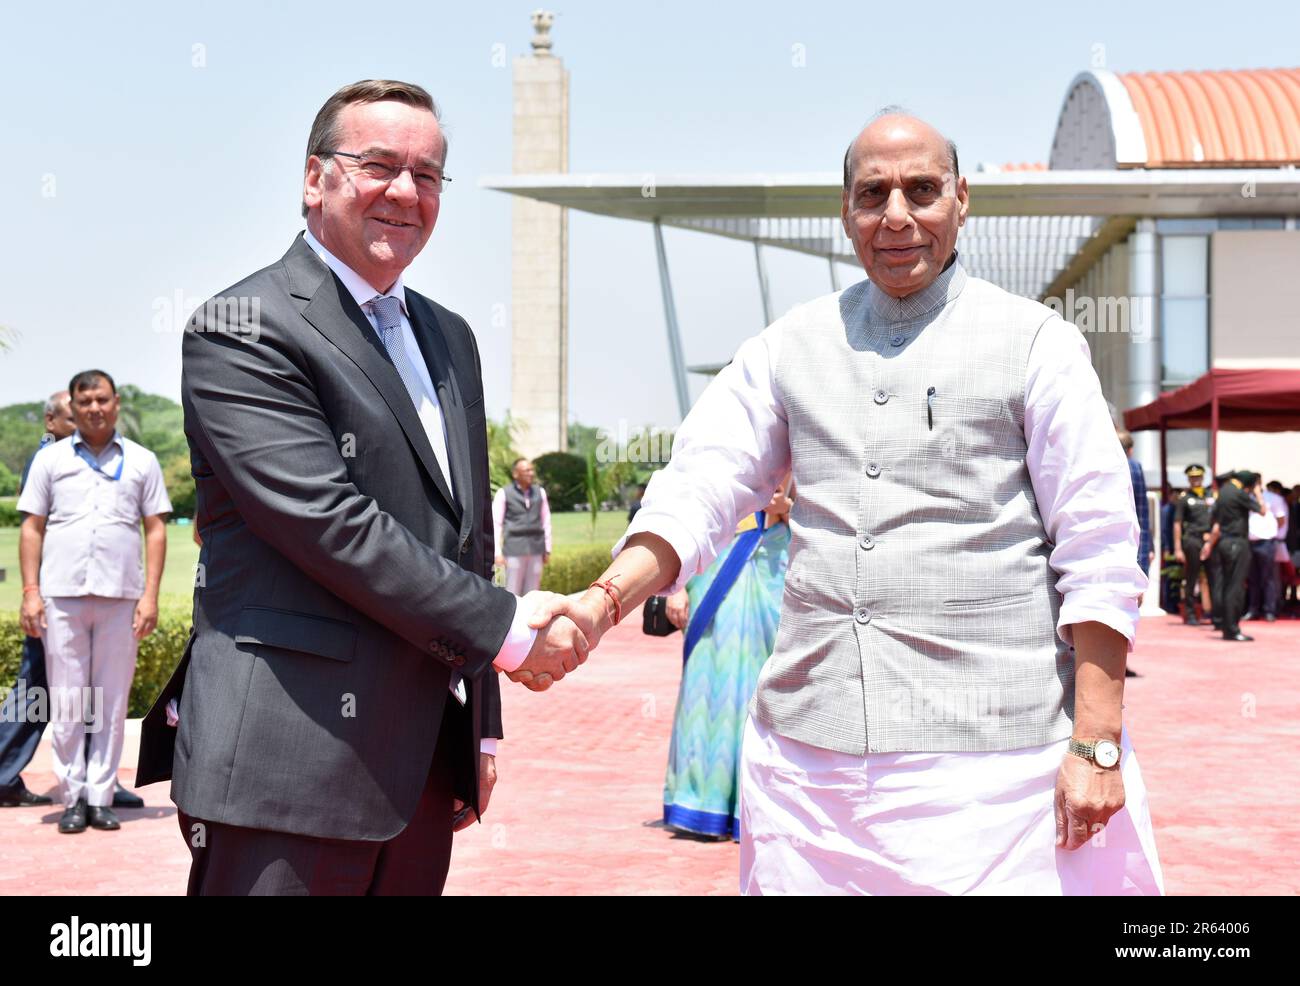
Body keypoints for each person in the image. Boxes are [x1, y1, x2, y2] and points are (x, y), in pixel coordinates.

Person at [535, 110, 1163, 894]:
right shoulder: (789, 347)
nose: (897, 216)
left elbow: (1099, 546)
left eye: (922, 190)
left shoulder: (1035, 343)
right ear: (846, 211)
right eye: (873, 194)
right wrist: (601, 602)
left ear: (962, 199)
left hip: (996, 773)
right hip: (810, 779)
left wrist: (1097, 742)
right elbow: (701, 485)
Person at [135, 80, 586, 895]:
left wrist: (479, 727)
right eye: (378, 165)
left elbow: (465, 540)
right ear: (316, 179)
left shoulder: (450, 337)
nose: (406, 192)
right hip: (286, 766)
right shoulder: (242, 325)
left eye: (429, 175)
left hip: (417, 768)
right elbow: (329, 524)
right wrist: (510, 633)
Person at [17, 371, 171, 834]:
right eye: (84, 401)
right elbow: (31, 527)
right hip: (61, 597)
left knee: (109, 701)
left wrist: (150, 596)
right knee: (66, 703)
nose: (93, 408)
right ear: (74, 406)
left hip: (122, 598)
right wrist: (29, 593)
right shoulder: (50, 460)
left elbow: (156, 528)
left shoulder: (142, 461)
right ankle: (72, 798)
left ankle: (100, 796)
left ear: (116, 402)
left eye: (101, 399)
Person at [661, 479, 792, 840]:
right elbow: (683, 510)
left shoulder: (809, 438)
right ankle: (701, 800)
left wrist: (785, 509)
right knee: (708, 686)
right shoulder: (716, 439)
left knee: (762, 684)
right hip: (716, 565)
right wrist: (679, 585)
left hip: (773, 562)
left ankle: (753, 804)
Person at [0, 391, 74, 809]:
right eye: (70, 417)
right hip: (56, 596)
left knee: (39, 688)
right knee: (38, 688)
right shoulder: (48, 462)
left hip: (60, 594)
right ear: (50, 421)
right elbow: (38, 533)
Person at [1205, 471, 1263, 642]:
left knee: (1224, 586)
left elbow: (1215, 521)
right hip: (1237, 543)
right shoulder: (1238, 493)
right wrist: (1258, 493)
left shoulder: (1223, 491)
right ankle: (1232, 629)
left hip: (1224, 542)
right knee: (1235, 588)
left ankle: (1224, 624)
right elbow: (1262, 510)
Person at [492, 457, 551, 595]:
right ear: (515, 474)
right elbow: (496, 524)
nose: (531, 473)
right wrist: (497, 553)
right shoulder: (504, 493)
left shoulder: (540, 492)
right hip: (513, 551)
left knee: (533, 592)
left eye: (532, 470)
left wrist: (547, 549)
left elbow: (546, 521)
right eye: (526, 470)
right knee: (511, 591)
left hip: (536, 549)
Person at [1173, 464, 1213, 625]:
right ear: (1189, 479)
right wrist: (1177, 548)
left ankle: (1214, 614)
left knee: (1214, 577)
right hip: (1192, 540)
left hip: (1210, 540)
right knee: (1192, 577)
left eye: (1198, 477)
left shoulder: (1211, 495)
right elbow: (1177, 523)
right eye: (1192, 477)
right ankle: (1190, 614)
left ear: (1203, 478)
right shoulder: (1184, 499)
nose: (1195, 480)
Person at [1244, 475, 1287, 622]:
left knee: (1268, 578)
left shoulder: (1273, 498)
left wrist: (1270, 531)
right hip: (1250, 542)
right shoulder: (1245, 498)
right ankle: (1253, 609)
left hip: (1266, 542)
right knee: (1252, 579)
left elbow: (1281, 520)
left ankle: (1270, 610)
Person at [1119, 431, 1154, 575]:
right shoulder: (1135, 467)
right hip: (1134, 543)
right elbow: (1142, 512)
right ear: (1131, 450)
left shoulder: (1103, 466)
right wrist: (1148, 547)